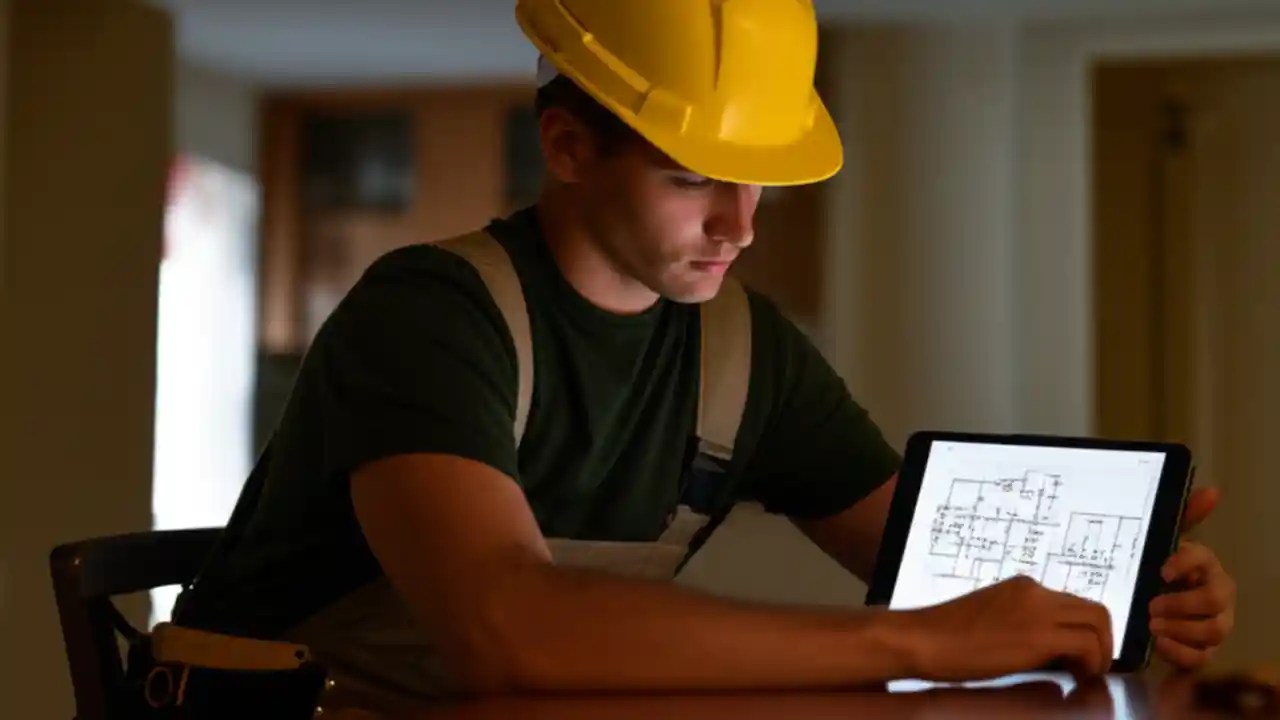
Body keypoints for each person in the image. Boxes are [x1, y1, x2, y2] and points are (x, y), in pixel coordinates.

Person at [173, 0, 1236, 698]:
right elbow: (507, 630)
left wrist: (1110, 593)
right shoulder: (429, 315)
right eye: (692, 179)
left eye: (756, 177)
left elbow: (929, 572)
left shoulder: (741, 352)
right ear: (568, 147)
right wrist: (927, 643)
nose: (741, 224)